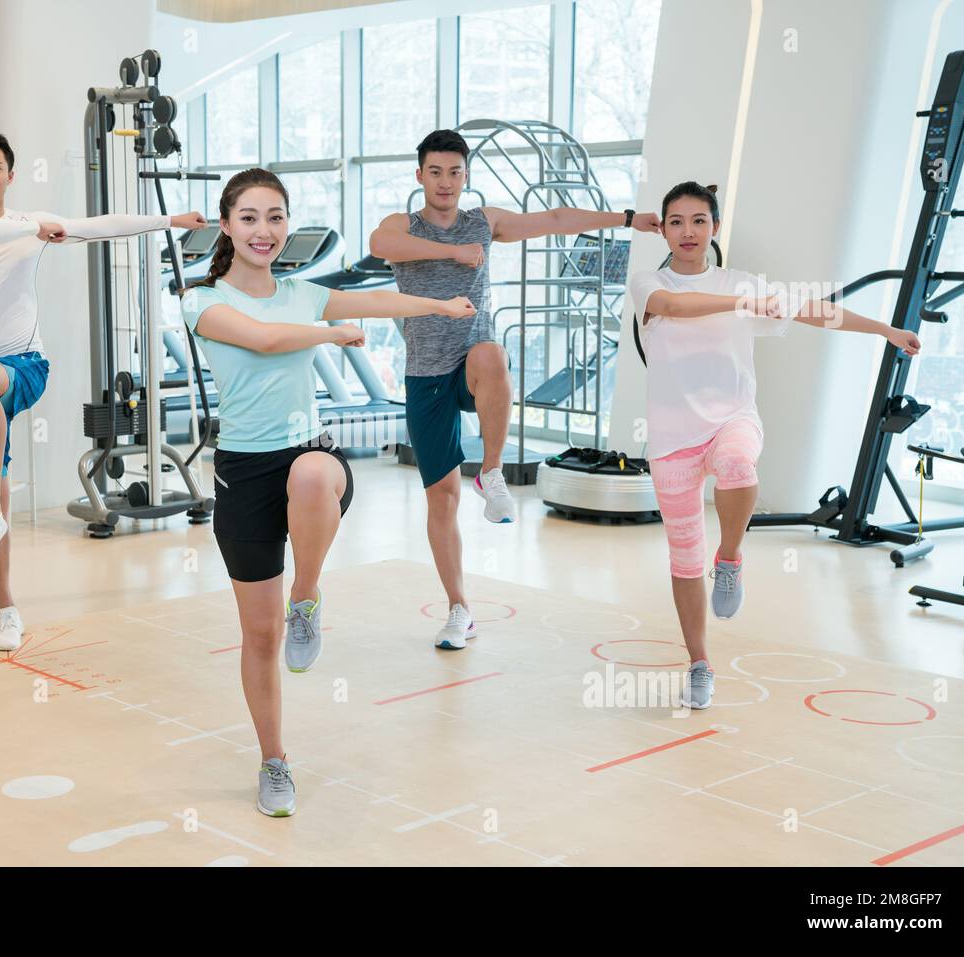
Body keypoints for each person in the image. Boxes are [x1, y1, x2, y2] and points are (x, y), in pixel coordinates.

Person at [180, 167, 474, 817]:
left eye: (276, 216)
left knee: (312, 473)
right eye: (250, 217)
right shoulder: (201, 300)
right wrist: (330, 335)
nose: (264, 230)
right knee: (258, 638)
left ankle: (306, 594)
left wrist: (440, 307)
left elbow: (380, 302)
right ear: (227, 225)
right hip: (242, 473)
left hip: (306, 451)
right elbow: (261, 338)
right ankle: (274, 761)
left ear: (288, 226)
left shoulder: (304, 291)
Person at [628, 181, 922, 709]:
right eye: (676, 221)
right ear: (664, 229)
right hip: (672, 435)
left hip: (731, 418)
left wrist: (884, 329)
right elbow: (673, 304)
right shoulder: (649, 281)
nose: (688, 231)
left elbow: (813, 309)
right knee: (684, 558)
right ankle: (699, 662)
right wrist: (743, 302)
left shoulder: (741, 279)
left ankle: (733, 556)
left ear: (715, 227)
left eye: (699, 220)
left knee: (739, 465)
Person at [369, 128, 662, 650]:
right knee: (442, 500)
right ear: (420, 176)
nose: (445, 181)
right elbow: (380, 244)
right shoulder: (404, 225)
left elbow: (553, 220)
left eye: (454, 172)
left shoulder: (484, 220)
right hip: (425, 374)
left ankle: (493, 471)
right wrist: (455, 254)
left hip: (470, 361)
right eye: (435, 172)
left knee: (493, 354)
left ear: (465, 176)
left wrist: (624, 220)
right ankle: (460, 609)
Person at [0, 130, 206, 652]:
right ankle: (7, 609)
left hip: (23, 366)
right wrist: (40, 228)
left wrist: (168, 221)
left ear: (11, 176)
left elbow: (101, 227)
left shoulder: (29, 225)